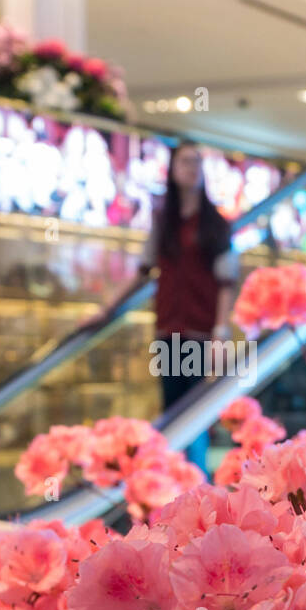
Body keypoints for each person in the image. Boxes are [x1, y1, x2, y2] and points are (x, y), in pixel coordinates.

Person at [92, 141, 238, 468]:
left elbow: (226, 280)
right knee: (172, 411)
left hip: (201, 332)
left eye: (197, 162)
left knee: (197, 413)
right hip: (170, 331)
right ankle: (173, 488)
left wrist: (220, 331)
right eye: (186, 162)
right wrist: (107, 308)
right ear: (172, 170)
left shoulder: (215, 224)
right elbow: (143, 272)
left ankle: (197, 484)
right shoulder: (164, 222)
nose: (192, 168)